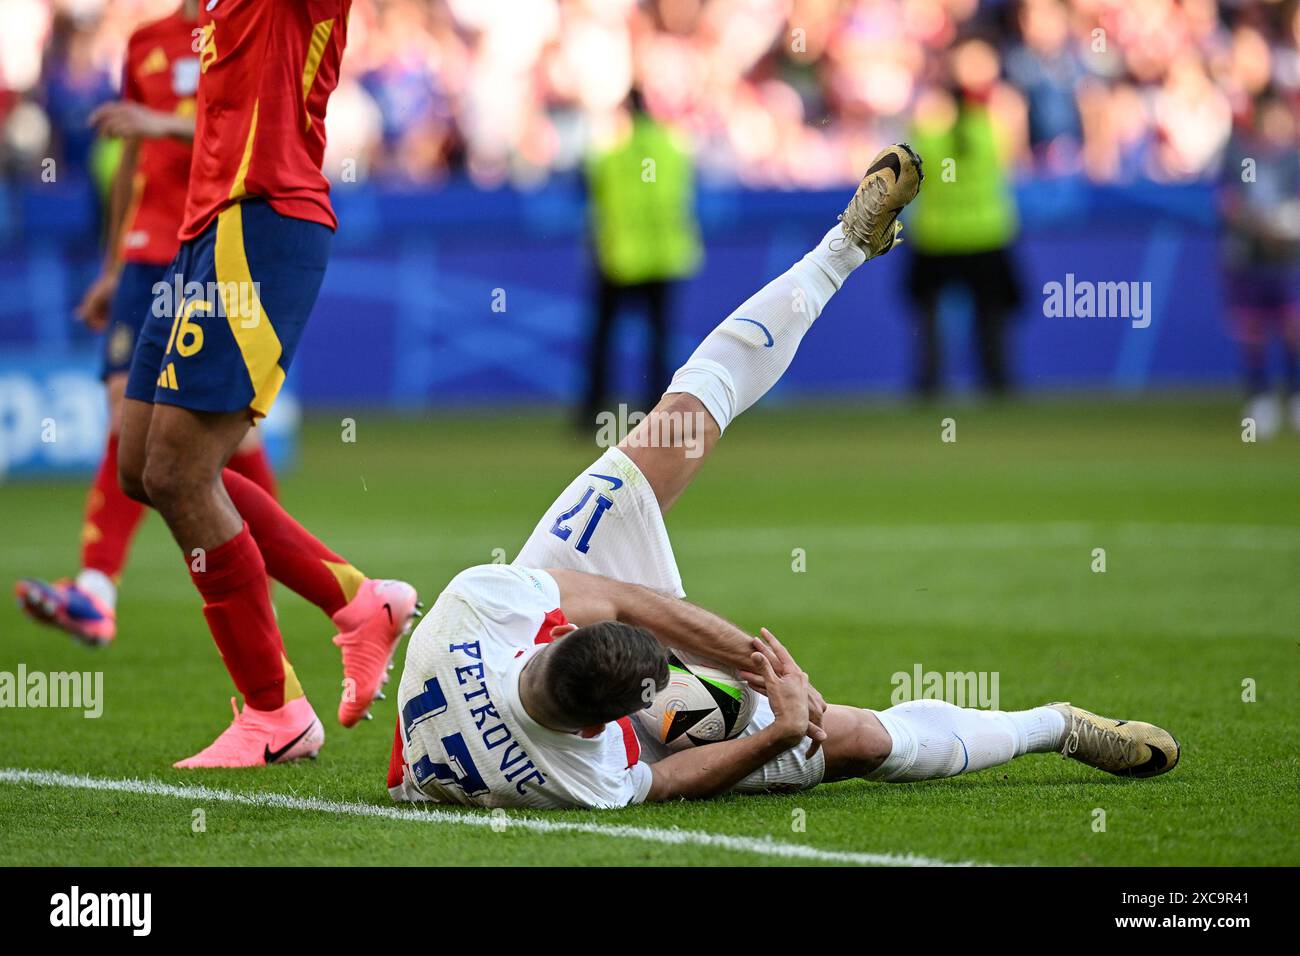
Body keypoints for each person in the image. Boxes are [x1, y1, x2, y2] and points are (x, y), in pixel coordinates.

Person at [387, 145, 1180, 809]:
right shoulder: (579, 773)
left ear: (553, 633)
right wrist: (780, 724)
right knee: (858, 740)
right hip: (525, 707)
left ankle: (844, 247)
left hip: (509, 664)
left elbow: (627, 601)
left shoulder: (482, 607)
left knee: (676, 427)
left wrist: (761, 668)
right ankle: (1057, 725)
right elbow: (668, 778)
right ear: (606, 728)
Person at [115, 0, 419, 768]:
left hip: (262, 222)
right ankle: (355, 600)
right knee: (144, 466)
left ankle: (274, 712)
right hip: (200, 232)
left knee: (182, 469)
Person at [14, 1, 279, 647]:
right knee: (125, 411)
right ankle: (96, 590)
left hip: (221, 244)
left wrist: (162, 121)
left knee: (227, 439)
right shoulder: (147, 42)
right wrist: (111, 264)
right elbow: (132, 157)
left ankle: (278, 566)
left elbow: (252, 130)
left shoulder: (247, 31)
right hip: (145, 248)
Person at [905, 37, 1024, 397]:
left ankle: (929, 391)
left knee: (930, 326)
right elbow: (1011, 160)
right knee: (991, 323)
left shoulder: (928, 116)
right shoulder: (1000, 114)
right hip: (985, 231)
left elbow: (910, 169)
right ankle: (998, 390)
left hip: (936, 233)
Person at [581, 88, 701, 427]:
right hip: (664, 259)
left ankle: (593, 412)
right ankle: (660, 412)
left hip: (620, 258)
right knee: (659, 341)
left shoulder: (611, 155)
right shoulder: (674, 150)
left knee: (603, 340)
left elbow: (593, 190)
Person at [1220, 89, 1300, 438]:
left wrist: (1286, 226)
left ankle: (1296, 396)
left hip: (1286, 258)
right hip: (1247, 257)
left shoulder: (1293, 161)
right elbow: (1228, 203)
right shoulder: (1239, 156)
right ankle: (1260, 399)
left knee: (1292, 328)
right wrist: (1259, 224)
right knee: (1251, 330)